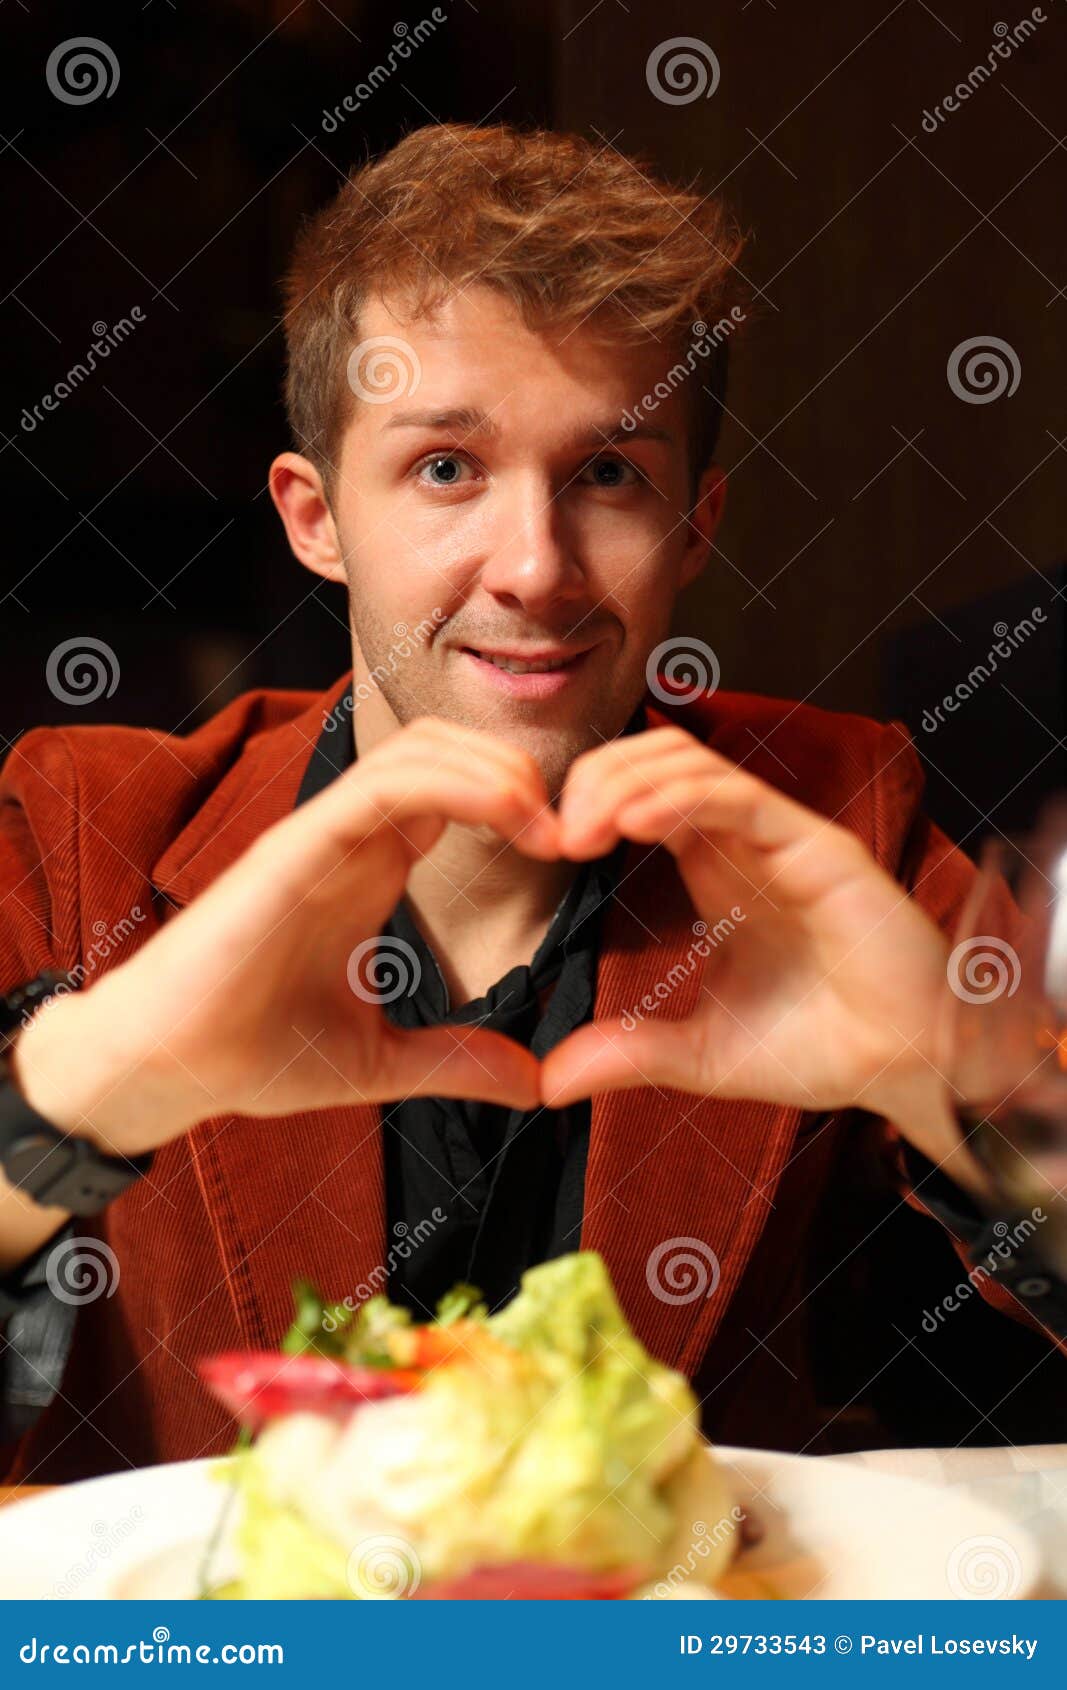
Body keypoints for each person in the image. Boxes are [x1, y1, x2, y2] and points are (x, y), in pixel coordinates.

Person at [1, 122, 1063, 1485]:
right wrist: (87, 1088)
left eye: (608, 473)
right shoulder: (86, 825)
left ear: (697, 524)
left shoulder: (836, 817)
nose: (536, 568)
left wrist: (969, 1086)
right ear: (316, 517)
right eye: (446, 466)